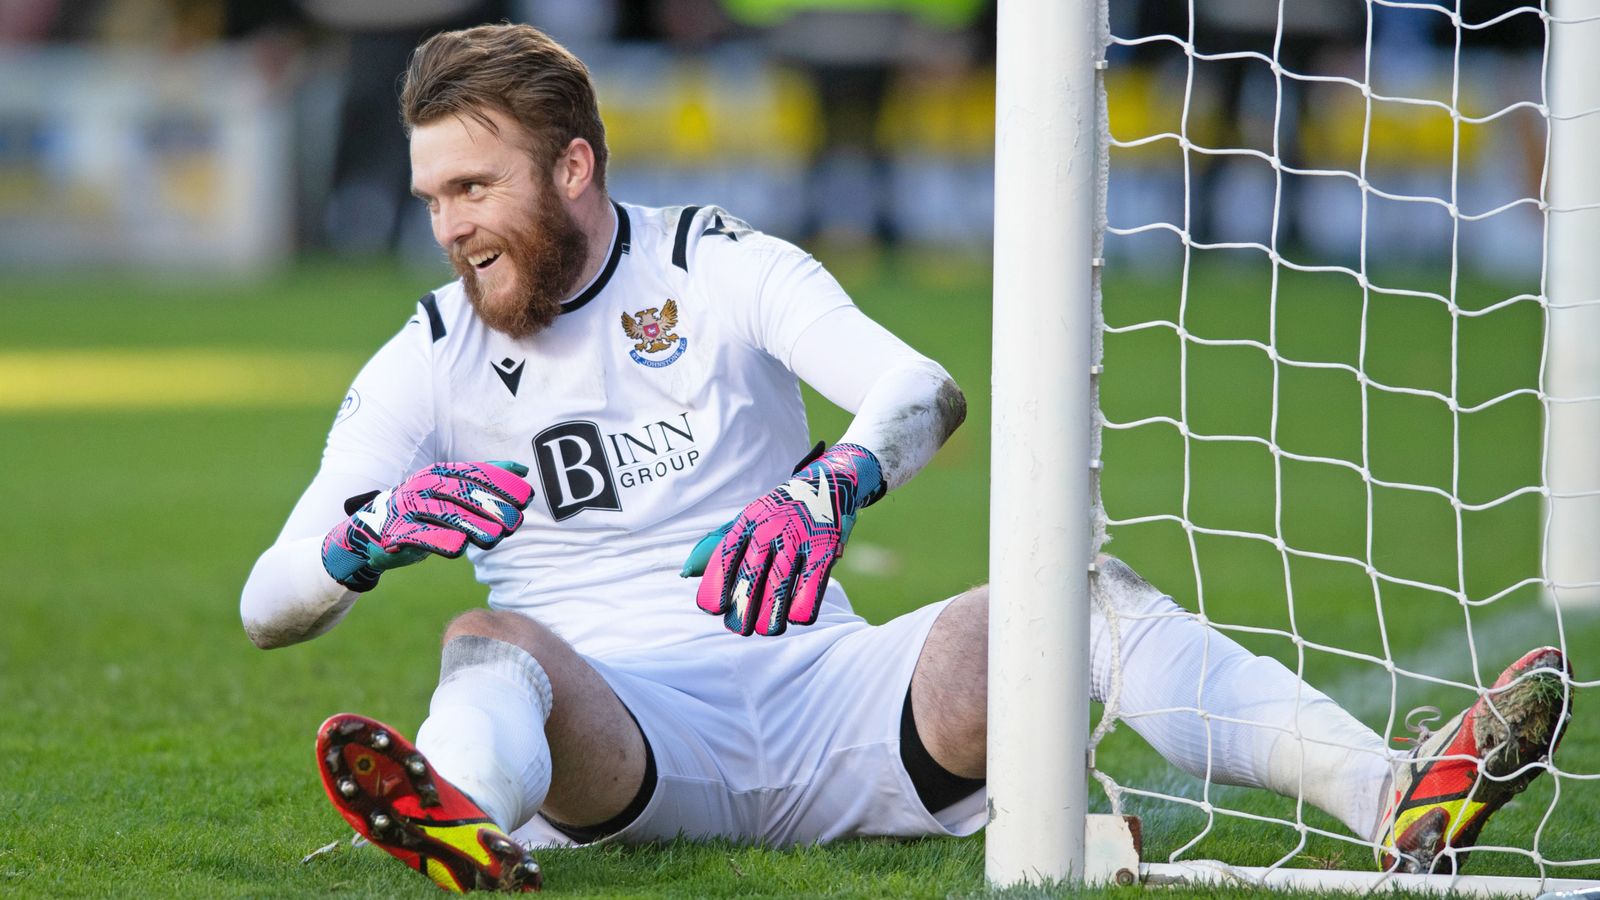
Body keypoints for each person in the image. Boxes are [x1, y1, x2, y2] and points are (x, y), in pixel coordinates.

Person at [240, 23, 1573, 893]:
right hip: (619, 739)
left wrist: (835, 484)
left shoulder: (720, 264)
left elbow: (917, 390)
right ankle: (467, 830)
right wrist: (357, 542)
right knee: (491, 640)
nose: (448, 228)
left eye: (472, 189)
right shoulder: (427, 354)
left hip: (832, 699)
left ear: (574, 167)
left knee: (1065, 602)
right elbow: (268, 600)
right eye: (431, 199)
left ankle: (1392, 795)